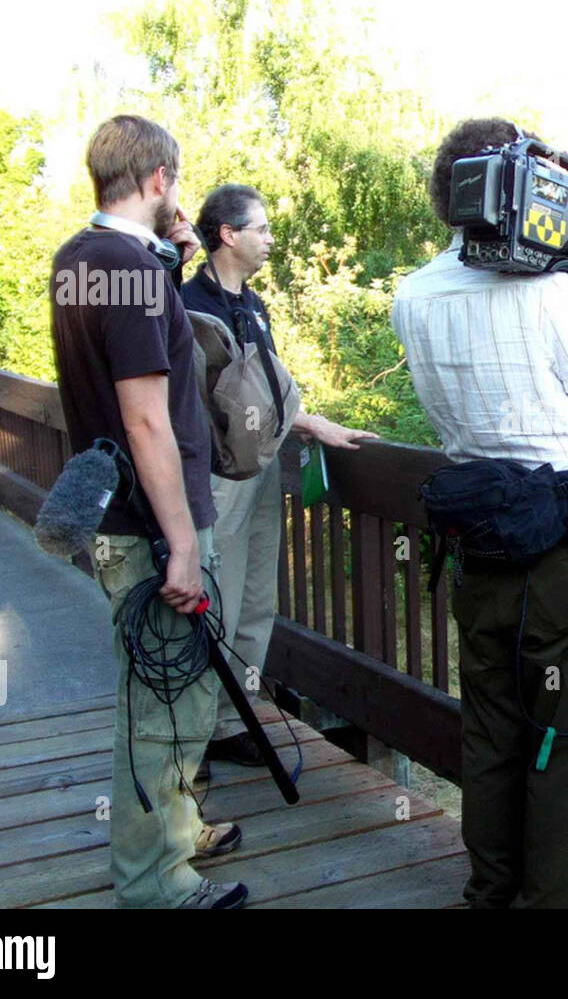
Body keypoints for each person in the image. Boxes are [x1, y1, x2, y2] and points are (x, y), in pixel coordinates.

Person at [390, 118, 568, 908]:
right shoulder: (549, 294)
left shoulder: (414, 293)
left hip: (482, 544)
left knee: (494, 730)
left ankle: (492, 892)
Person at [49, 115, 246, 909]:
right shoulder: (130, 271)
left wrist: (166, 262)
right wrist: (181, 544)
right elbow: (145, 418)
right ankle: (156, 881)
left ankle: (172, 826)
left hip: (114, 517)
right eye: (177, 182)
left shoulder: (82, 258)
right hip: (150, 520)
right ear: (161, 178)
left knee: (158, 690)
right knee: (169, 701)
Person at [182, 184, 378, 766]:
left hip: (263, 470)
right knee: (215, 600)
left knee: (256, 601)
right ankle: (194, 730)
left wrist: (310, 424)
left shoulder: (255, 309)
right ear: (228, 234)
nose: (270, 240)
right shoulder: (189, 307)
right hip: (217, 476)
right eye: (261, 229)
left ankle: (231, 720)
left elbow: (266, 394)